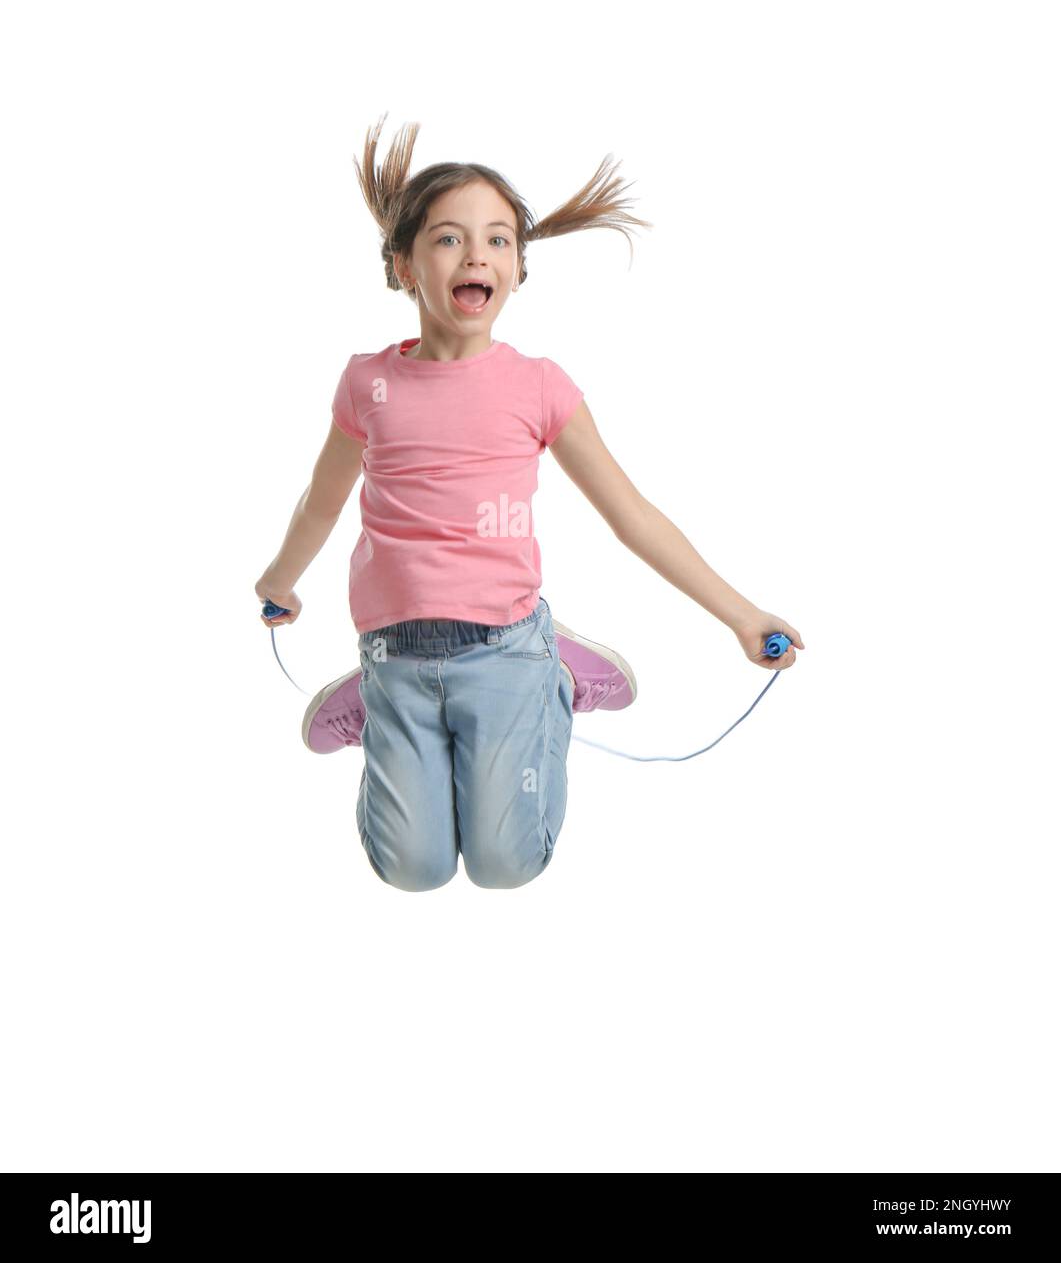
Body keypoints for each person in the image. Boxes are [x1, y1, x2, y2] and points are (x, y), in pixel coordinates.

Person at [255, 113, 804, 893]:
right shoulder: (366, 385)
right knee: (411, 871)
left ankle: (559, 674)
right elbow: (320, 500)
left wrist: (742, 614)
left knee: (506, 868)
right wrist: (279, 581)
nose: (476, 254)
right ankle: (374, 707)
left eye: (498, 240)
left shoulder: (537, 387)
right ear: (404, 266)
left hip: (504, 654)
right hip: (394, 655)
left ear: (515, 270)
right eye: (448, 238)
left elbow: (633, 516)